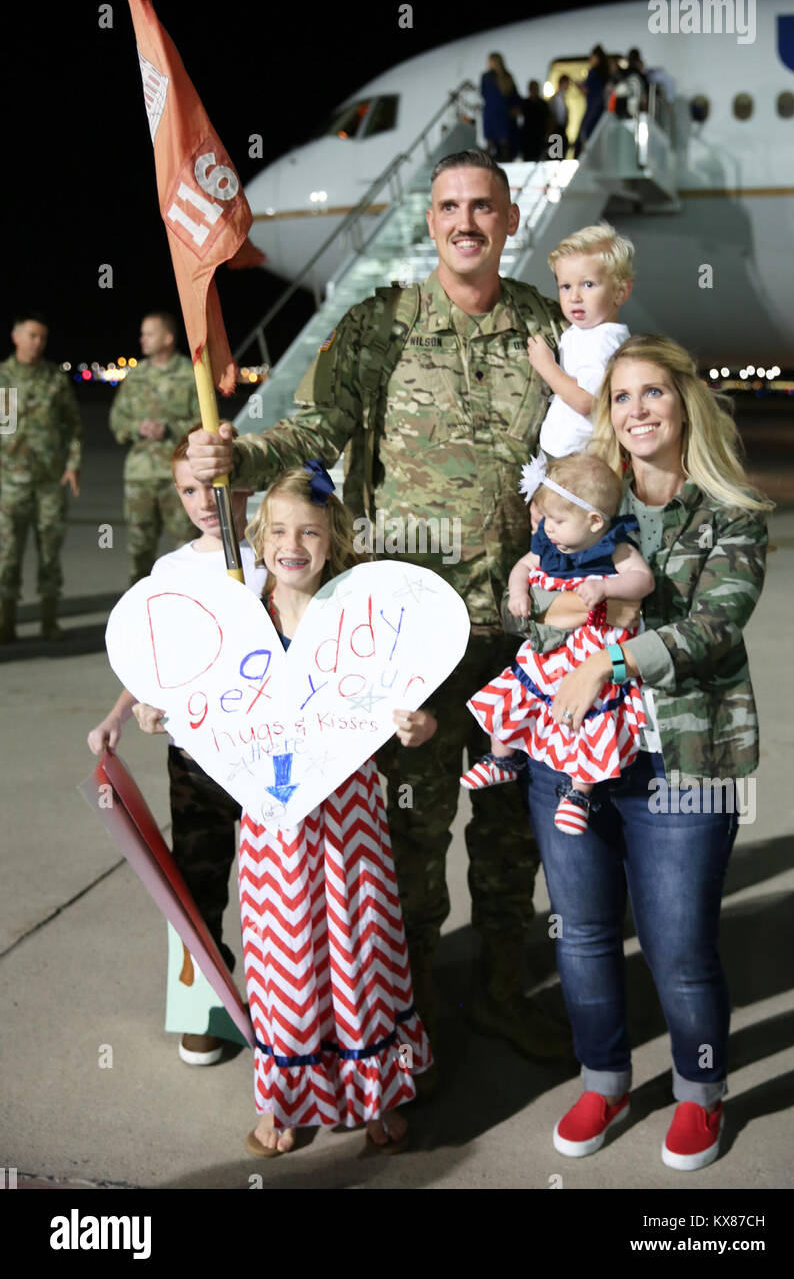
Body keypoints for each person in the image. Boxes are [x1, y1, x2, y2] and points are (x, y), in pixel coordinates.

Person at [184, 149, 575, 1076]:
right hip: (409, 637)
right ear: (429, 217)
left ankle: (500, 994)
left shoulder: (543, 327)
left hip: (520, 630)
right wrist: (234, 459)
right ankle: (413, 1015)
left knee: (511, 829)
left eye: (483, 206)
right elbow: (315, 430)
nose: (465, 221)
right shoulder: (380, 323)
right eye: (449, 206)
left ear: (510, 220)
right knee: (409, 833)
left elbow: (589, 440)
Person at [511, 335, 772, 1171]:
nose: (635, 411)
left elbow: (713, 625)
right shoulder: (583, 495)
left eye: (652, 393)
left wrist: (611, 658)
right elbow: (535, 607)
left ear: (682, 401)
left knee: (677, 942)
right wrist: (536, 610)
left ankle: (699, 1093)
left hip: (684, 759)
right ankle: (605, 1078)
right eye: (620, 397)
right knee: (581, 932)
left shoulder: (728, 509)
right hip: (571, 753)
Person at [240, 463, 433, 1156]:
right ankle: (288, 1100)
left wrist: (417, 728)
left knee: (360, 944)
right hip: (272, 819)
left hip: (349, 811)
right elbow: (188, 699)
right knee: (284, 956)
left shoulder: (359, 619)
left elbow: (408, 707)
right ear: (259, 537)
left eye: (310, 532)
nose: (293, 544)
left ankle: (373, 1092)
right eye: (280, 531)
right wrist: (151, 709)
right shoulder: (239, 619)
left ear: (333, 541)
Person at [87, 429, 265, 1066]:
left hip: (267, 759)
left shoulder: (276, 556)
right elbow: (151, 659)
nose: (200, 501)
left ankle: (285, 1009)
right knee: (197, 879)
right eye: (188, 489)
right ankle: (205, 1008)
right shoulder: (171, 571)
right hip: (194, 759)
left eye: (213, 487)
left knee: (275, 892)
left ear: (248, 482)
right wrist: (119, 713)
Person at [461, 453, 653, 835]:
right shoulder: (549, 544)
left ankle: (579, 793)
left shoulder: (614, 548)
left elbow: (643, 580)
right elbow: (523, 567)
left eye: (559, 520)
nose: (548, 528)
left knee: (585, 719)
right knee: (515, 690)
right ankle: (503, 758)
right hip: (548, 650)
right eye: (546, 518)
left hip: (590, 652)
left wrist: (606, 586)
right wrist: (518, 593)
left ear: (595, 521)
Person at [0, 314, 81, 643]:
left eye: (43, 337)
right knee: (8, 554)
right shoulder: (3, 379)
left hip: (49, 484)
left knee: (49, 553)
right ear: (16, 336)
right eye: (32, 335)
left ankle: (49, 621)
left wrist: (72, 465)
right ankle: (6, 624)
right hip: (10, 484)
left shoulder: (54, 379)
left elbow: (73, 425)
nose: (38, 342)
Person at [109, 311, 201, 585]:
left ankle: (186, 608)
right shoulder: (137, 376)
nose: (142, 339)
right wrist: (138, 428)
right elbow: (117, 420)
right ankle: (140, 609)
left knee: (187, 548)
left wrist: (170, 429)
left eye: (149, 333)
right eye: (142, 333)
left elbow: (203, 421)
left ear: (168, 337)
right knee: (139, 551)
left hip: (181, 478)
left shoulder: (190, 373)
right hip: (140, 477)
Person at [529, 223, 634, 461]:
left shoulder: (603, 341)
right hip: (565, 452)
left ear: (620, 292)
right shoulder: (585, 332)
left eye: (588, 285)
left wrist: (546, 366)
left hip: (578, 460)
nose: (574, 297)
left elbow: (587, 402)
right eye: (565, 286)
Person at [480, 52, 522, 161]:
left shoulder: (487, 77)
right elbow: (515, 95)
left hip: (492, 113)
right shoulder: (508, 77)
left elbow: (484, 94)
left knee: (490, 143)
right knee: (504, 144)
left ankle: (489, 164)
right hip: (505, 114)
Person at [574, 46, 611, 158]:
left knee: (585, 134)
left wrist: (578, 85)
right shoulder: (605, 73)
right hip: (601, 111)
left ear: (597, 58)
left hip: (592, 110)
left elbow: (586, 90)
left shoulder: (593, 72)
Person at [520, 80, 550, 161]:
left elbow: (547, 119)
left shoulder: (542, 104)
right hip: (528, 136)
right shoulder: (525, 103)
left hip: (540, 135)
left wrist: (547, 133)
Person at [548, 74, 571, 158]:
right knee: (556, 157)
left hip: (560, 130)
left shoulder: (561, 98)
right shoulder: (556, 99)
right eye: (567, 84)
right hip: (556, 131)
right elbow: (554, 116)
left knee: (559, 156)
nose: (568, 86)